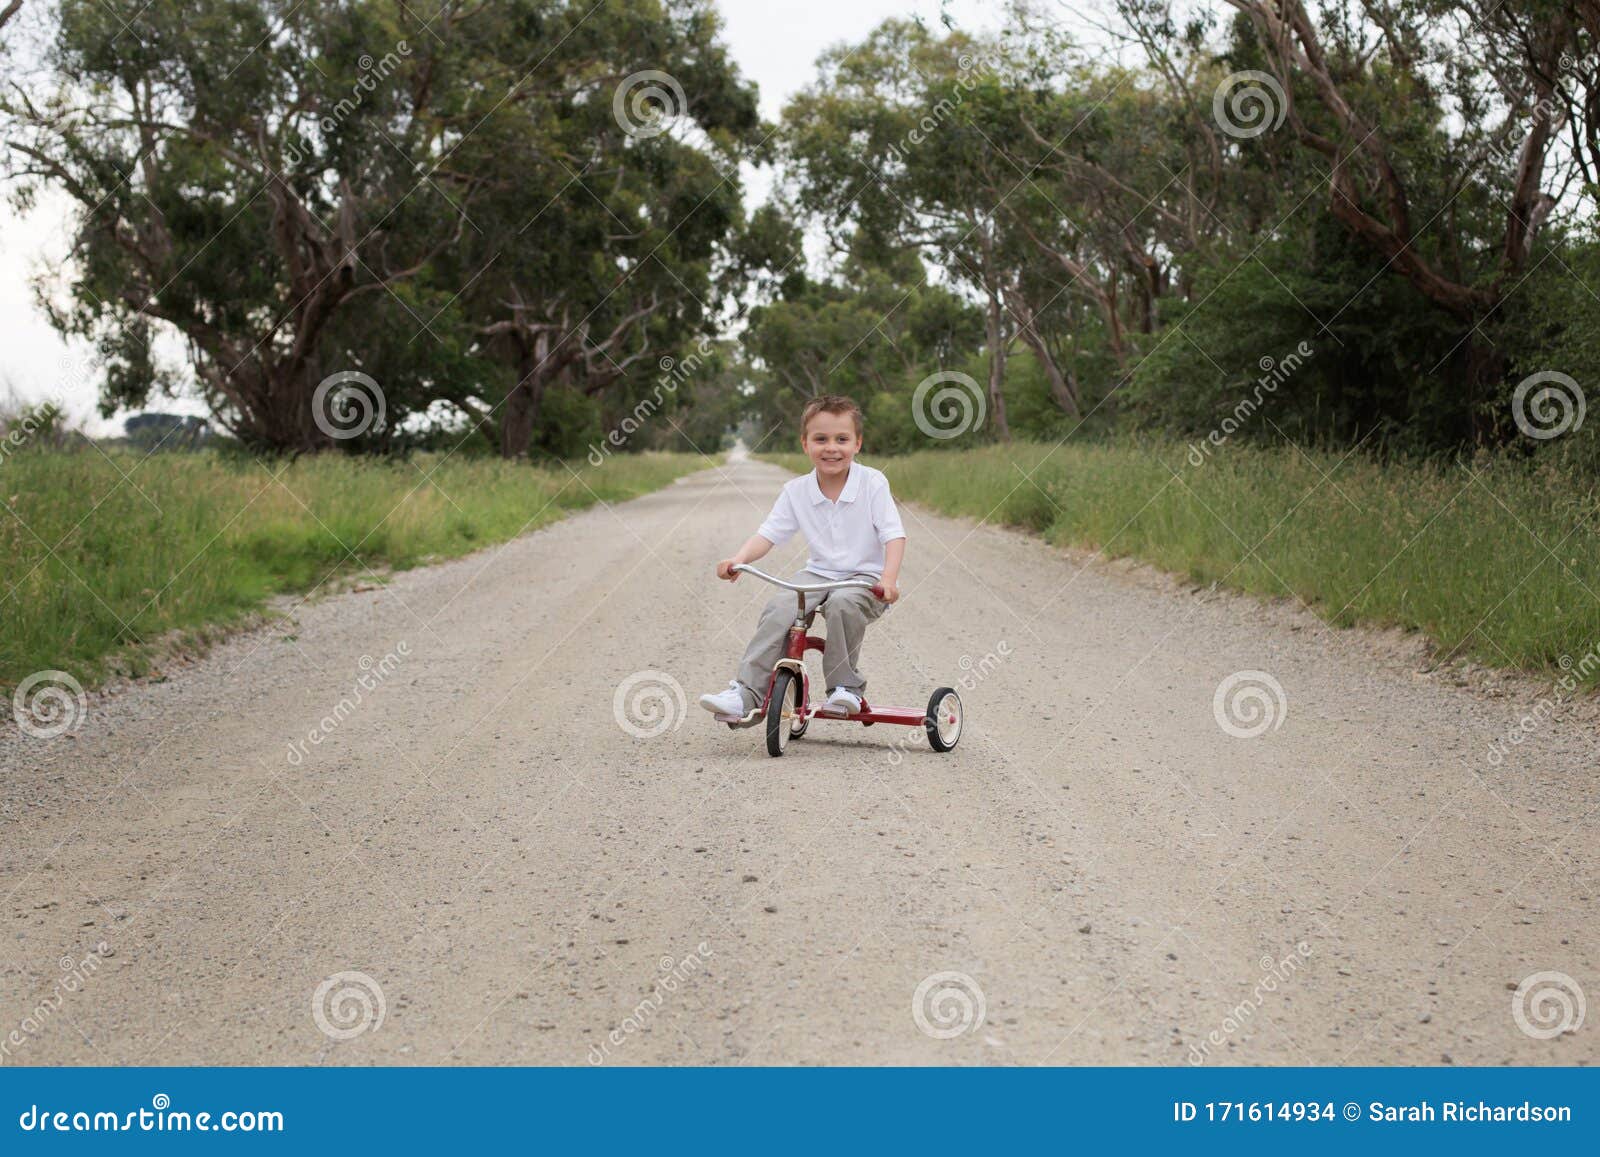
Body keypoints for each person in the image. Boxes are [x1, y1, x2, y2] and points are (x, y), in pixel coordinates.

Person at [699, 394, 906, 719]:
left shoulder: (872, 483)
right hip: (818, 574)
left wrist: (888, 580)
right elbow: (768, 534)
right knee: (780, 607)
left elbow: (893, 535)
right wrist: (739, 559)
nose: (831, 448)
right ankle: (746, 694)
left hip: (864, 578)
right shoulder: (796, 491)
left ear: (858, 444)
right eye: (820, 439)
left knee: (843, 603)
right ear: (805, 444)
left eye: (842, 439)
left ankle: (844, 688)